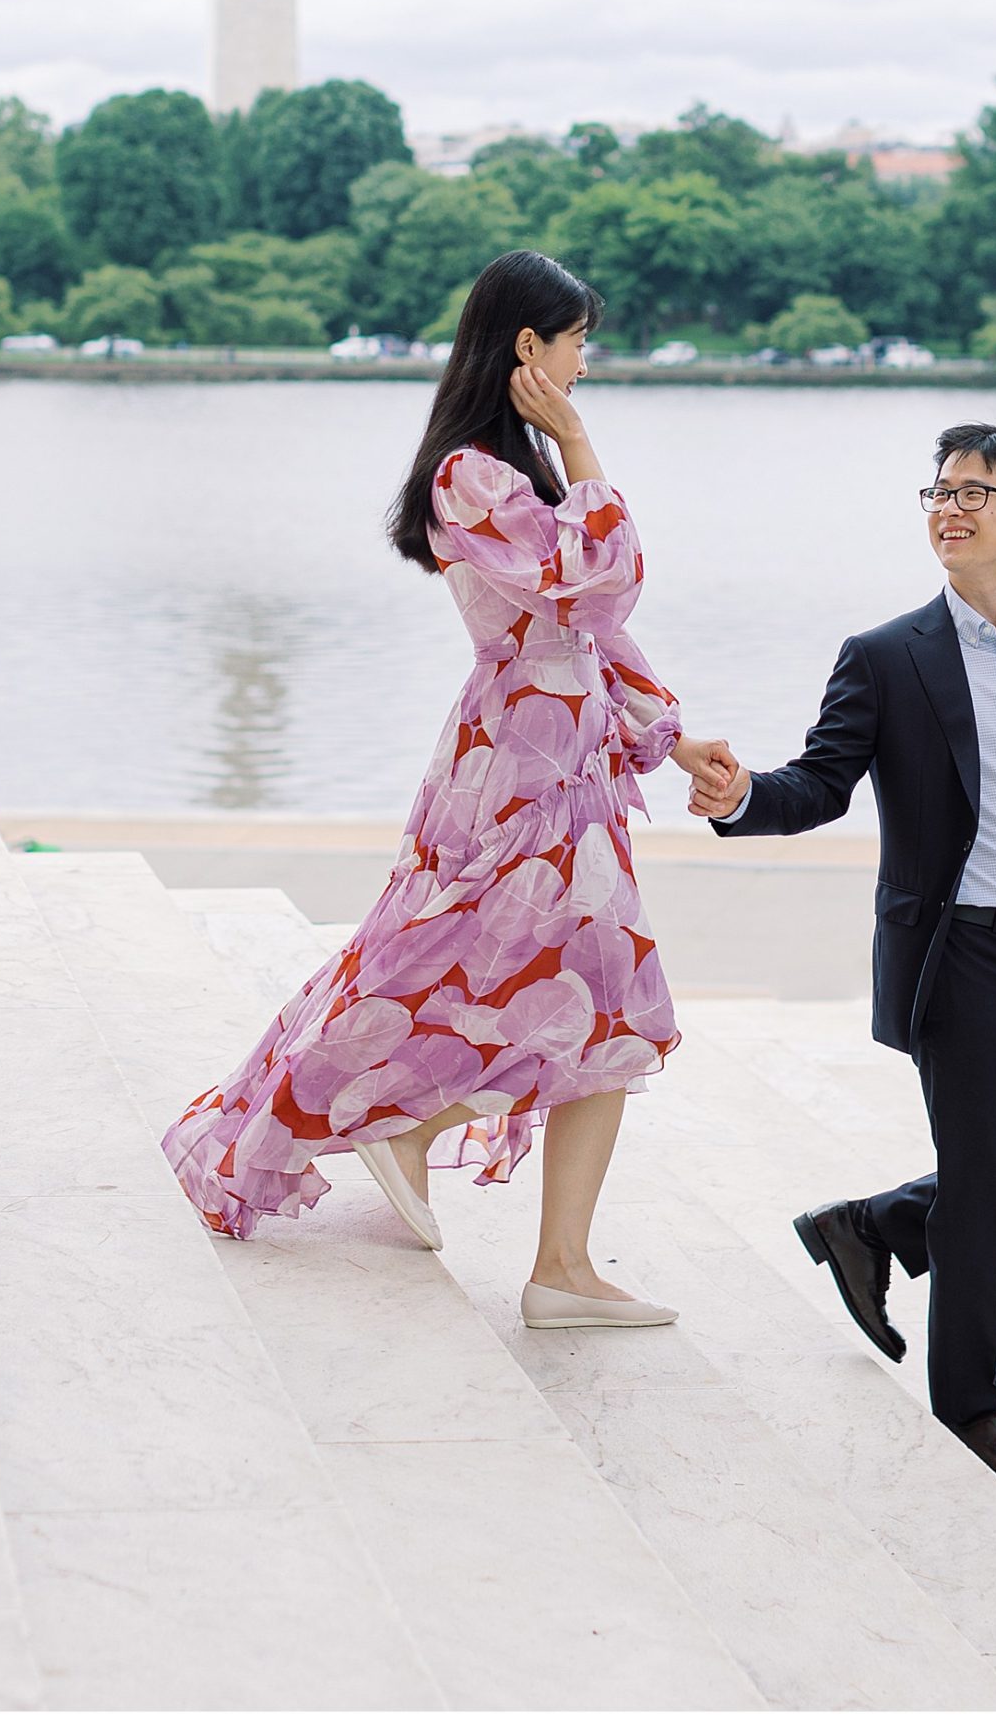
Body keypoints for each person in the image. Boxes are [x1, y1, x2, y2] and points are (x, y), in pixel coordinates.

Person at [164, 249, 738, 1330]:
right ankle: (502, 1219)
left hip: (557, 758)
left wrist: (669, 737)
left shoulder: (509, 468)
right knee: (479, 975)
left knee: (575, 999)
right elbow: (600, 579)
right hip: (520, 766)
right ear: (529, 346)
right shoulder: (474, 473)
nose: (585, 364)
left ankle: (535, 1241)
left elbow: (594, 627)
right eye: (576, 342)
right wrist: (578, 441)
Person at [688, 421, 996, 1483]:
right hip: (961, 959)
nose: (950, 506)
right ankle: (974, 1405)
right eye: (937, 490)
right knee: (982, 1185)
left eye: (978, 491)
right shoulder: (888, 657)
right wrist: (743, 798)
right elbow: (820, 781)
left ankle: (874, 1223)